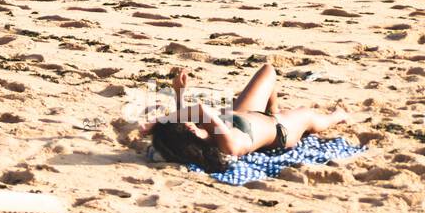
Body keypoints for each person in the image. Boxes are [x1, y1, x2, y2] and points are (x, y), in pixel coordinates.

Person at [144, 62, 348, 172]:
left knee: (268, 70)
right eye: (185, 125)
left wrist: (179, 93)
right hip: (281, 129)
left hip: (243, 114)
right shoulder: (227, 144)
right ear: (188, 136)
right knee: (311, 117)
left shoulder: (201, 133)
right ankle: (340, 115)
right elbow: (201, 110)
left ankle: (274, 108)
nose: (188, 124)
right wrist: (158, 122)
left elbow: (188, 118)